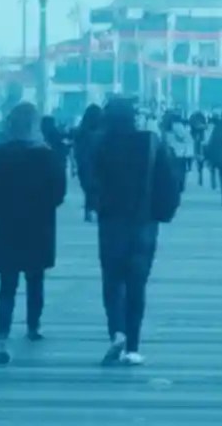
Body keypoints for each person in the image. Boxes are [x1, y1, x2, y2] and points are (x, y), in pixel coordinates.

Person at [0, 102, 68, 365]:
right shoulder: (45, 155)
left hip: (5, 226)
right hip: (37, 225)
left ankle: (1, 336)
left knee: (7, 285)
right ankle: (33, 326)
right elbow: (58, 192)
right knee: (35, 279)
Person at [92, 96, 176, 366]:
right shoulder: (150, 142)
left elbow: (89, 179)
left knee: (112, 282)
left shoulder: (101, 144)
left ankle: (117, 331)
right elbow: (168, 181)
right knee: (137, 284)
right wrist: (163, 212)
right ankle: (133, 347)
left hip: (111, 224)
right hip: (144, 224)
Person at [75, 104, 104, 222]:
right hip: (98, 162)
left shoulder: (82, 130)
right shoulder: (102, 130)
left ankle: (89, 209)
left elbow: (77, 147)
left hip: (84, 161)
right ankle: (95, 208)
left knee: (88, 187)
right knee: (97, 187)